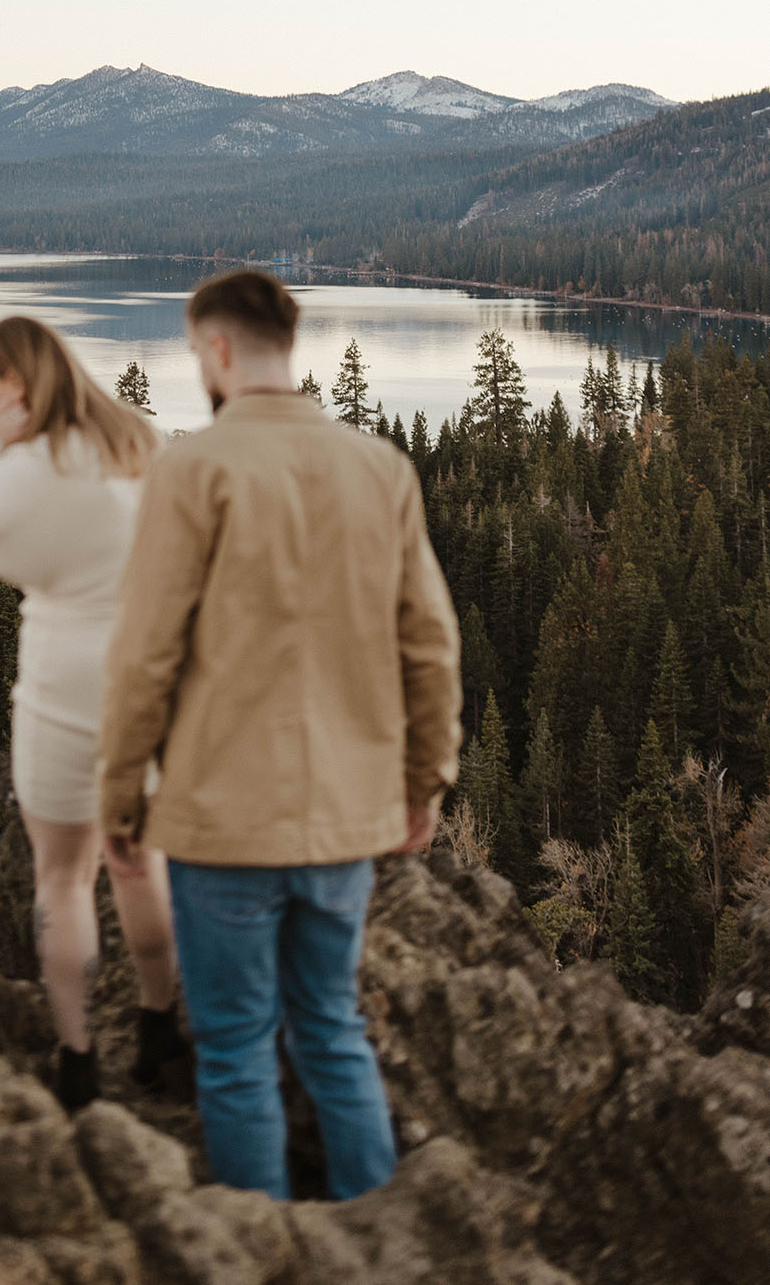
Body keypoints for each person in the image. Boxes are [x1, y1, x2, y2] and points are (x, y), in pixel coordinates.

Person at [98, 269, 462, 1201]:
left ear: (216, 349)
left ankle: (257, 1243)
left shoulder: (194, 468)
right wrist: (423, 783)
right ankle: (382, 1242)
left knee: (232, 1049)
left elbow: (144, 655)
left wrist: (119, 795)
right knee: (332, 1030)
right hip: (345, 813)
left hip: (223, 820)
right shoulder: (378, 467)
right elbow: (427, 642)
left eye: (194, 353)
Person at [0, 314, 186, 1111]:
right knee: (139, 862)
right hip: (144, 686)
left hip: (62, 692)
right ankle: (159, 1028)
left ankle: (74, 1061)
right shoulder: (139, 444)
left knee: (63, 879)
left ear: (18, 387)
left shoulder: (32, 466)